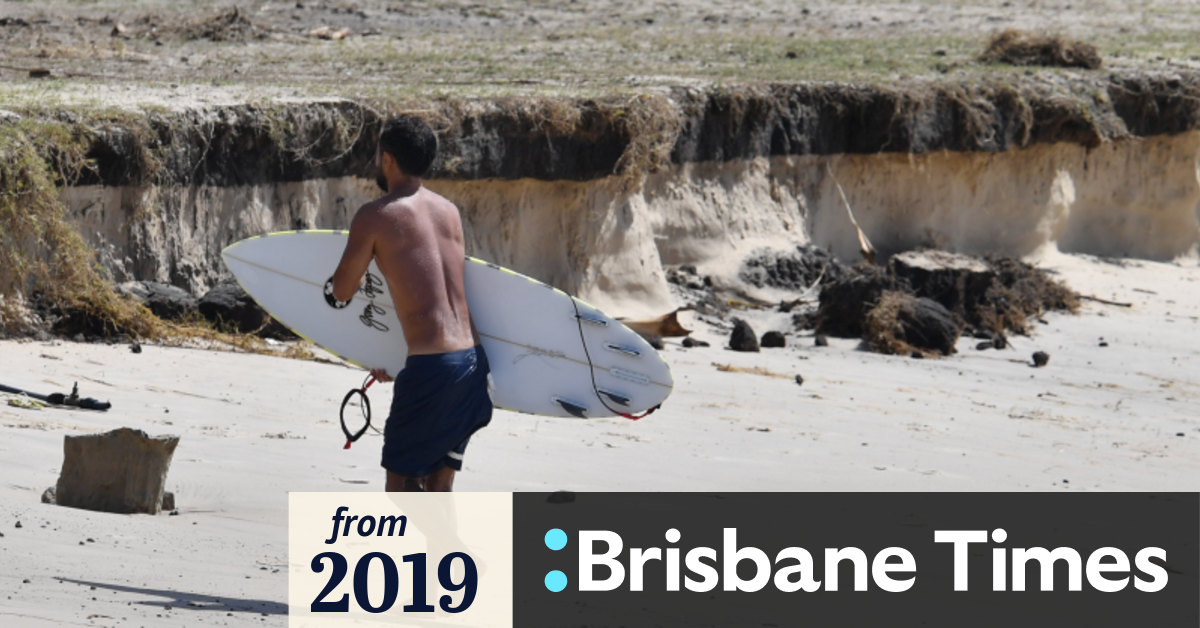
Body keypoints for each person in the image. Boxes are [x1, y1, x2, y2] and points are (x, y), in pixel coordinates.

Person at [328, 116, 491, 492]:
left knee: (400, 488)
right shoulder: (449, 211)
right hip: (472, 362)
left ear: (387, 159)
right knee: (437, 488)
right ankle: (442, 551)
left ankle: (456, 549)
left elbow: (341, 290)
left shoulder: (375, 216)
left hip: (433, 369)